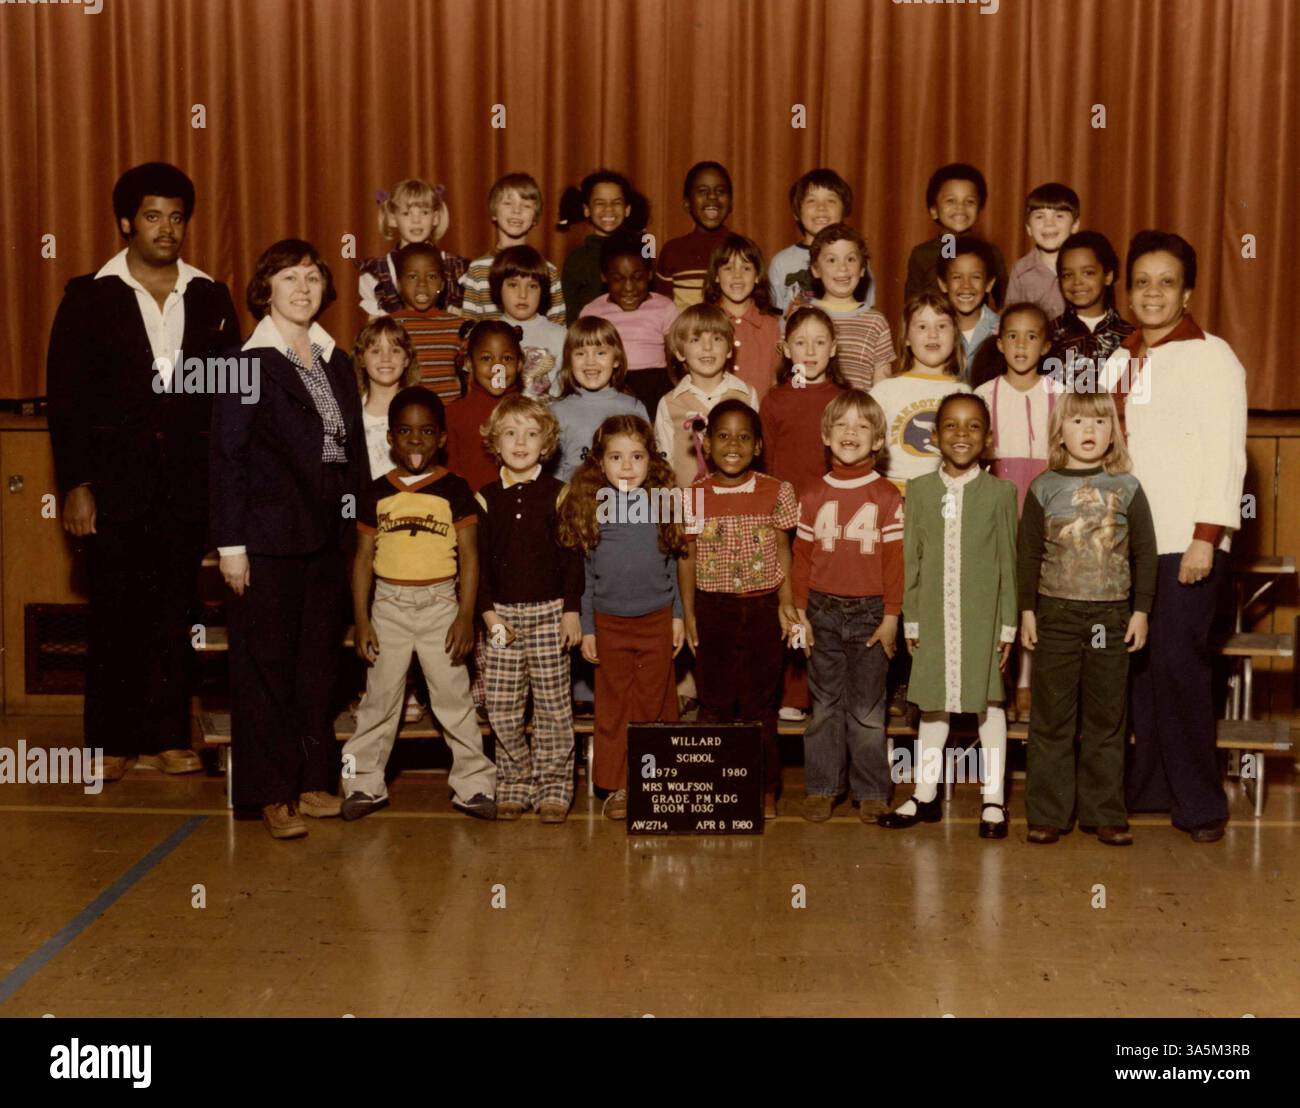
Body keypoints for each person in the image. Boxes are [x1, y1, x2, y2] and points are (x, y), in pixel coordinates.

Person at [47, 161, 239, 783]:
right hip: (112, 489)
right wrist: (77, 485)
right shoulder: (88, 297)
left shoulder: (209, 296)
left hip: (184, 490)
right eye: (153, 216)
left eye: (177, 218)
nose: (166, 229)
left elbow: (227, 393)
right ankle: (109, 740)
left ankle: (165, 736)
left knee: (174, 614)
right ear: (127, 222)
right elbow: (67, 400)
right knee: (114, 616)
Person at [210, 239, 366, 839]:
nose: (302, 289)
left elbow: (350, 456)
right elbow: (228, 459)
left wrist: (354, 530)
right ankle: (270, 794)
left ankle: (312, 781)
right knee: (265, 668)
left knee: (317, 666)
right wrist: (231, 546)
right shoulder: (246, 361)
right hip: (266, 541)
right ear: (265, 290)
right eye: (288, 278)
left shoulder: (336, 360)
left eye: (312, 278)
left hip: (327, 540)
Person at [1100, 230, 1248, 844]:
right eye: (1142, 282)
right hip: (1126, 541)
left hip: (1186, 540)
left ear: (1187, 291)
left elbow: (1226, 454)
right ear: (1128, 290)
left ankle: (1201, 803)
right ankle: (1151, 786)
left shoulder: (1214, 356)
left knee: (1181, 666)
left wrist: (1206, 536)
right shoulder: (1117, 358)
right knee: (1138, 668)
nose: (1153, 293)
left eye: (1167, 282)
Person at [342, 387, 495, 822]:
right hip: (388, 606)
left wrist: (465, 616)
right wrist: (362, 620)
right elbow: (362, 561)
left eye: (426, 431)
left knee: (453, 699)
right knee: (378, 702)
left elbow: (469, 556)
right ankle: (361, 783)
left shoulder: (456, 489)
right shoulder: (375, 493)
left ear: (442, 438)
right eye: (405, 431)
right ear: (390, 437)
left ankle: (475, 786)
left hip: (440, 605)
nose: (415, 440)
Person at [1018, 390, 1157, 846]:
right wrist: (1027, 611)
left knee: (1105, 717)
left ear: (1112, 433)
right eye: (1078, 422)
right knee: (1052, 717)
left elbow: (1144, 553)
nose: (1089, 431)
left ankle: (1104, 812)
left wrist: (1140, 610)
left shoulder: (1128, 488)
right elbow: (1029, 554)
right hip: (1056, 613)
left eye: (1099, 423)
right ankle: (1048, 813)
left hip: (1107, 617)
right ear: (1061, 431)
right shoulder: (1043, 486)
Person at [879, 393, 1018, 838]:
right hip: (935, 617)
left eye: (973, 426)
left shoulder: (1001, 493)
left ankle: (993, 798)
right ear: (935, 436)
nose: (962, 435)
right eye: (952, 427)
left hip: (983, 617)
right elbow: (911, 561)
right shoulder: (919, 491)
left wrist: (1008, 625)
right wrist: (911, 620)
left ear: (989, 438)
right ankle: (924, 794)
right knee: (932, 701)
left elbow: (1008, 564)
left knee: (990, 702)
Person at [557, 415, 686, 819]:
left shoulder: (663, 500)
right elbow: (588, 575)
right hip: (610, 623)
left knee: (654, 704)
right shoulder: (591, 506)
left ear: (652, 460)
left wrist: (677, 617)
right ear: (599, 462)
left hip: (656, 619)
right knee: (613, 708)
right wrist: (590, 627)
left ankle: (653, 783)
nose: (627, 466)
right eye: (616, 457)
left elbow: (673, 563)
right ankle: (616, 786)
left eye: (636, 456)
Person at [680, 401, 800, 819]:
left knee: (758, 703)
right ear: (707, 445)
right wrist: (690, 613)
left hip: (763, 606)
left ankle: (764, 786)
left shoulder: (776, 490)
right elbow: (687, 557)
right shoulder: (693, 495)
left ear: (759, 445)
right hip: (713, 608)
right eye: (724, 436)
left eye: (744, 437)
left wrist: (786, 602)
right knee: (713, 701)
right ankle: (713, 785)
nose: (734, 444)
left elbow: (785, 550)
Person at [793, 390, 904, 824]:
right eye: (841, 424)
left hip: (872, 612)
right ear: (826, 435)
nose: (851, 432)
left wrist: (892, 616)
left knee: (867, 709)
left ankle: (872, 789)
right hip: (820, 609)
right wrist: (800, 612)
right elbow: (802, 558)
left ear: (878, 440)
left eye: (862, 425)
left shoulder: (887, 495)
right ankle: (822, 786)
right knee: (824, 707)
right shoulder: (813, 492)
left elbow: (893, 563)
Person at [476, 396, 584, 822]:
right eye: (510, 433)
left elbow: (573, 557)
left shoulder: (560, 495)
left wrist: (571, 611)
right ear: (495, 442)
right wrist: (488, 615)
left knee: (554, 707)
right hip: (501, 616)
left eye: (531, 433)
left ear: (547, 443)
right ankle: (515, 782)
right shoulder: (483, 499)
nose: (520, 442)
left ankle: (554, 787)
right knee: (502, 706)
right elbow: (476, 565)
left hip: (549, 613)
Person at [870, 293, 971, 494]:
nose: (933, 334)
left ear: (955, 335)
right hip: (895, 494)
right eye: (922, 327)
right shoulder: (885, 391)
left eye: (942, 326)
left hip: (946, 494)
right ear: (906, 337)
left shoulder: (964, 393)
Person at [654, 304, 758, 488]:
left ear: (729, 349)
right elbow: (664, 461)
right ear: (679, 352)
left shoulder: (747, 396)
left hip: (737, 500)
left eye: (717, 338)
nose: (707, 347)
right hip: (691, 505)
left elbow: (755, 453)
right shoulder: (669, 403)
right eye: (695, 340)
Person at [785, 223, 893, 390]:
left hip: (858, 414)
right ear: (815, 270)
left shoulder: (876, 322)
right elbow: (788, 374)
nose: (842, 268)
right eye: (832, 260)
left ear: (862, 268)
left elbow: (883, 386)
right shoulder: (801, 314)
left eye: (850, 259)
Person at [579, 233, 678, 414]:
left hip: (655, 385)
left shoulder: (664, 307)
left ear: (649, 274)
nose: (629, 288)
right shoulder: (592, 311)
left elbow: (673, 357)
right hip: (610, 384)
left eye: (637, 277)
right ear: (604, 276)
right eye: (618, 279)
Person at [458, 173, 566, 324]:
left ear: (535, 218)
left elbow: (558, 326)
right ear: (494, 212)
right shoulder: (477, 269)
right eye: (508, 203)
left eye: (526, 205)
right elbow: (469, 325)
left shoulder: (548, 271)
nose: (517, 211)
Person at [550, 317, 648, 483]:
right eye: (580, 354)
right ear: (569, 361)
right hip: (576, 501)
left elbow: (647, 460)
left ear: (616, 359)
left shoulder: (633, 408)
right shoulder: (558, 411)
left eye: (600, 353)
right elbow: (554, 473)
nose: (590, 362)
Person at [768, 168, 877, 314]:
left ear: (844, 210)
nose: (821, 208)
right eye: (811, 200)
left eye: (831, 200)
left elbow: (866, 310)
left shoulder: (854, 258)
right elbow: (774, 314)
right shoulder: (782, 262)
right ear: (796, 213)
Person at [359, 177, 467, 316]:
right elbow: (373, 327)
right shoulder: (377, 272)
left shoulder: (455, 267)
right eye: (406, 213)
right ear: (392, 219)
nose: (416, 220)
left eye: (424, 212)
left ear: (435, 218)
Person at [904, 163, 1007, 305]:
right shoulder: (921, 254)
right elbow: (911, 305)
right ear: (934, 210)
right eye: (951, 201)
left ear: (979, 209)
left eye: (969, 202)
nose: (960, 207)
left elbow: (1005, 301)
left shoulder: (991, 252)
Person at [443, 320, 523, 493]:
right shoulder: (453, 414)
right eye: (487, 358)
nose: (497, 368)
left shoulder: (530, 413)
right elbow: (451, 475)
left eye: (507, 358)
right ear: (469, 364)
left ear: (519, 364)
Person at [701, 234, 782, 402]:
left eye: (746, 268)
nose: (737, 276)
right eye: (728, 268)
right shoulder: (703, 322)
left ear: (757, 275)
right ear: (716, 275)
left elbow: (777, 381)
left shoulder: (771, 326)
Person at [1046, 230, 1135, 378]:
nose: (1077, 282)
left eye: (1088, 273)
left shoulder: (1130, 337)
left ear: (1108, 276)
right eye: (1068, 275)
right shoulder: (1048, 335)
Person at [558, 169, 641, 319]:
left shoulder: (642, 252)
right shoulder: (576, 259)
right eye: (600, 203)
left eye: (616, 202)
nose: (608, 209)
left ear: (627, 209)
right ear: (587, 210)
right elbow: (570, 314)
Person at [489, 245, 567, 399]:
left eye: (532, 286)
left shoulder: (561, 336)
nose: (523, 294)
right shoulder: (490, 335)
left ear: (542, 291)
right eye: (513, 285)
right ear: (499, 288)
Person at [389, 243, 463, 402]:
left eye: (431, 277)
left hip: (448, 416)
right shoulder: (389, 326)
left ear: (442, 284)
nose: (422, 284)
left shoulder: (457, 326)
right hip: (405, 415)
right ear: (399, 284)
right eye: (412, 276)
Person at [655, 161, 734, 309]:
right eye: (703, 191)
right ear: (687, 203)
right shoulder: (672, 250)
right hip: (684, 331)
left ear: (731, 204)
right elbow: (661, 308)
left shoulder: (742, 249)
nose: (712, 197)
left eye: (720, 191)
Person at [1003, 183, 1080, 321]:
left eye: (1059, 216)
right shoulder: (1021, 271)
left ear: (1075, 225)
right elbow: (1012, 320)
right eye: (1039, 217)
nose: (1049, 223)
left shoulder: (1084, 265)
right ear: (1028, 228)